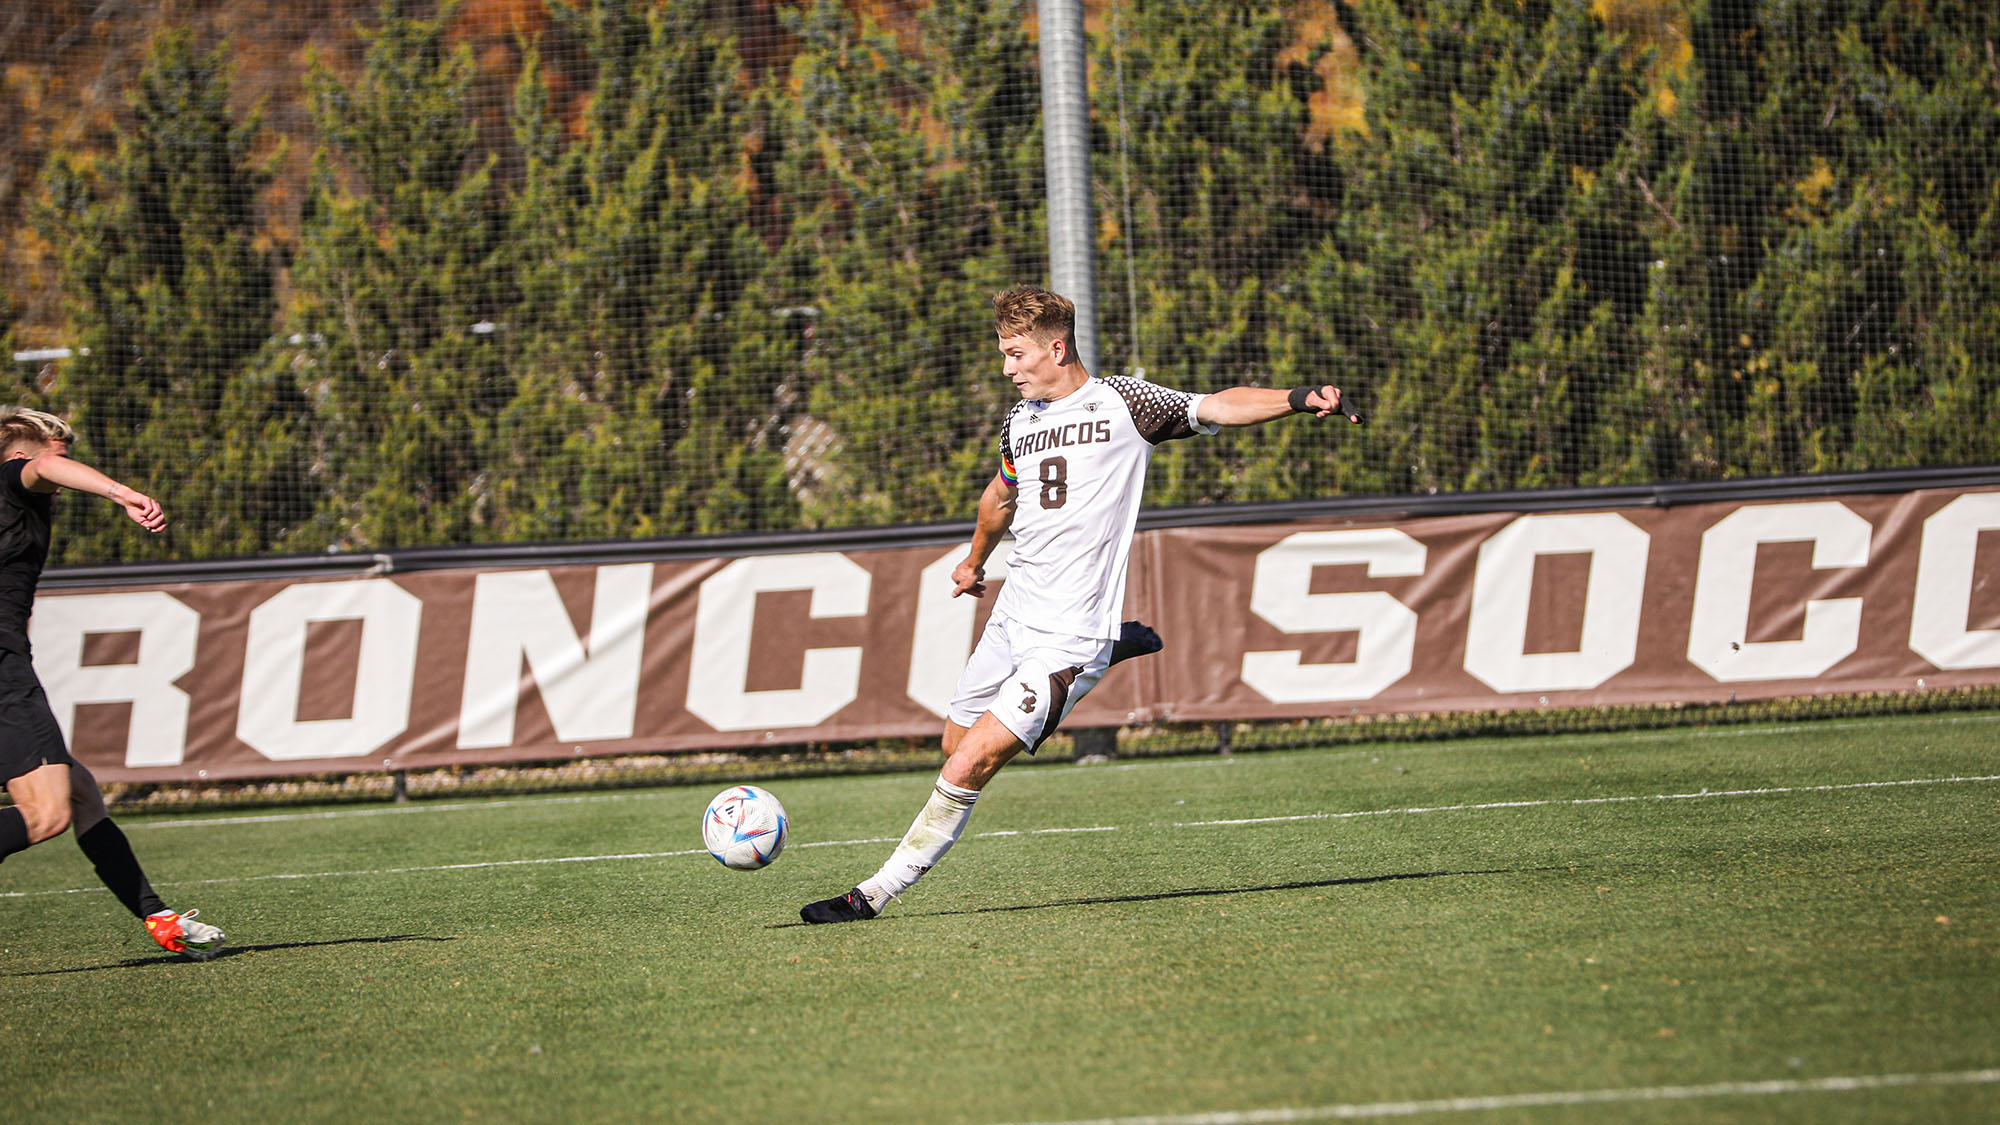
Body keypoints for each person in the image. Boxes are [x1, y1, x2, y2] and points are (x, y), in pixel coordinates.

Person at [801, 288, 1359, 923]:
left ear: (1055, 347)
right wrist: (975, 560)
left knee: (970, 762)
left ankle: (871, 894)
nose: (1007, 368)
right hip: (1014, 613)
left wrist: (1296, 399)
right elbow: (1001, 494)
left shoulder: (1125, 402)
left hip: (1068, 633)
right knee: (953, 740)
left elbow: (1218, 406)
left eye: (1015, 355)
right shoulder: (1020, 420)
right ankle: (1115, 647)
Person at [0, 407, 225, 959]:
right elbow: (43, 470)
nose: (60, 472)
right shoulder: (16, 479)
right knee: (47, 813)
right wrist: (121, 493)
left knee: (79, 793)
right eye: (56, 456)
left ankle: (157, 916)